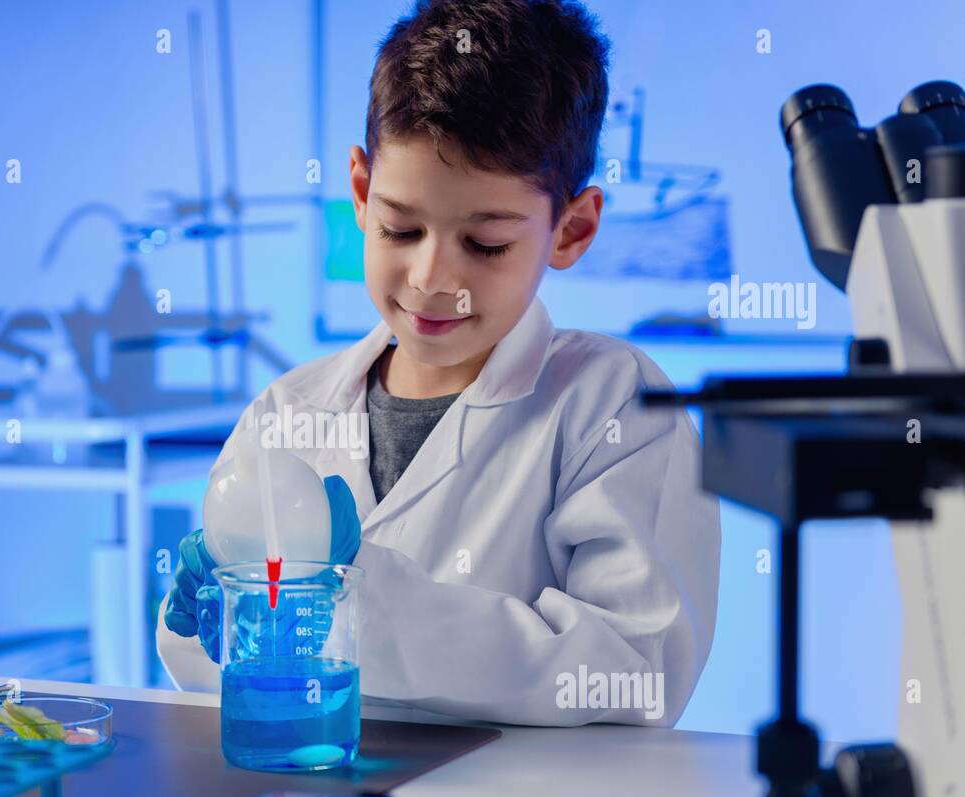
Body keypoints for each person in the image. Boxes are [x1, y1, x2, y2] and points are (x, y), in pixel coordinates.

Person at [157, 0, 720, 727]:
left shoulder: (616, 405)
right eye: (400, 227)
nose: (431, 277)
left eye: (485, 245)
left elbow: (635, 671)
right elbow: (214, 680)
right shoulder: (286, 413)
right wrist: (217, 611)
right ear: (360, 193)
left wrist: (360, 597)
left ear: (572, 229)